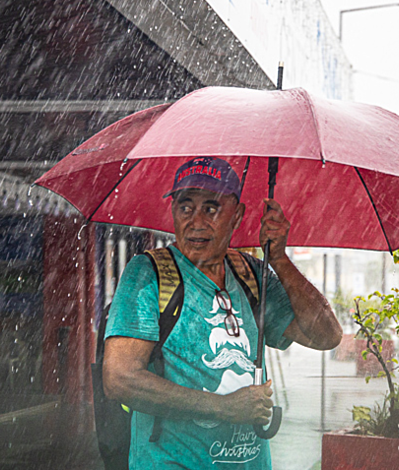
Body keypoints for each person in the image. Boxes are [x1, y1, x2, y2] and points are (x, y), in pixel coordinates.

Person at [103, 156, 343, 469]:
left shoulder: (252, 275)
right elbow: (119, 379)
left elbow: (327, 336)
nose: (196, 222)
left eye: (211, 208)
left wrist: (280, 260)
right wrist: (223, 407)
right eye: (185, 207)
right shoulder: (149, 274)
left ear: (238, 215)